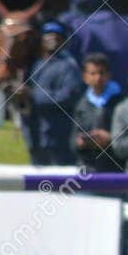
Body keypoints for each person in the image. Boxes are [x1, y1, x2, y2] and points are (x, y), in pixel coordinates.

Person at [16, 20, 84, 166]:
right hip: (35, 135)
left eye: (57, 35)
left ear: (63, 40)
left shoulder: (69, 67)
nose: (52, 38)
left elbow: (67, 97)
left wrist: (33, 94)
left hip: (58, 137)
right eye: (48, 35)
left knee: (59, 181)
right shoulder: (34, 65)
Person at [72, 51, 123, 173]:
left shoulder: (120, 102)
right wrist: (79, 142)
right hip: (87, 167)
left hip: (115, 167)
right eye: (93, 73)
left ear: (108, 75)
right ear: (85, 77)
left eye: (101, 73)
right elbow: (73, 137)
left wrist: (110, 139)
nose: (98, 78)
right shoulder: (81, 104)